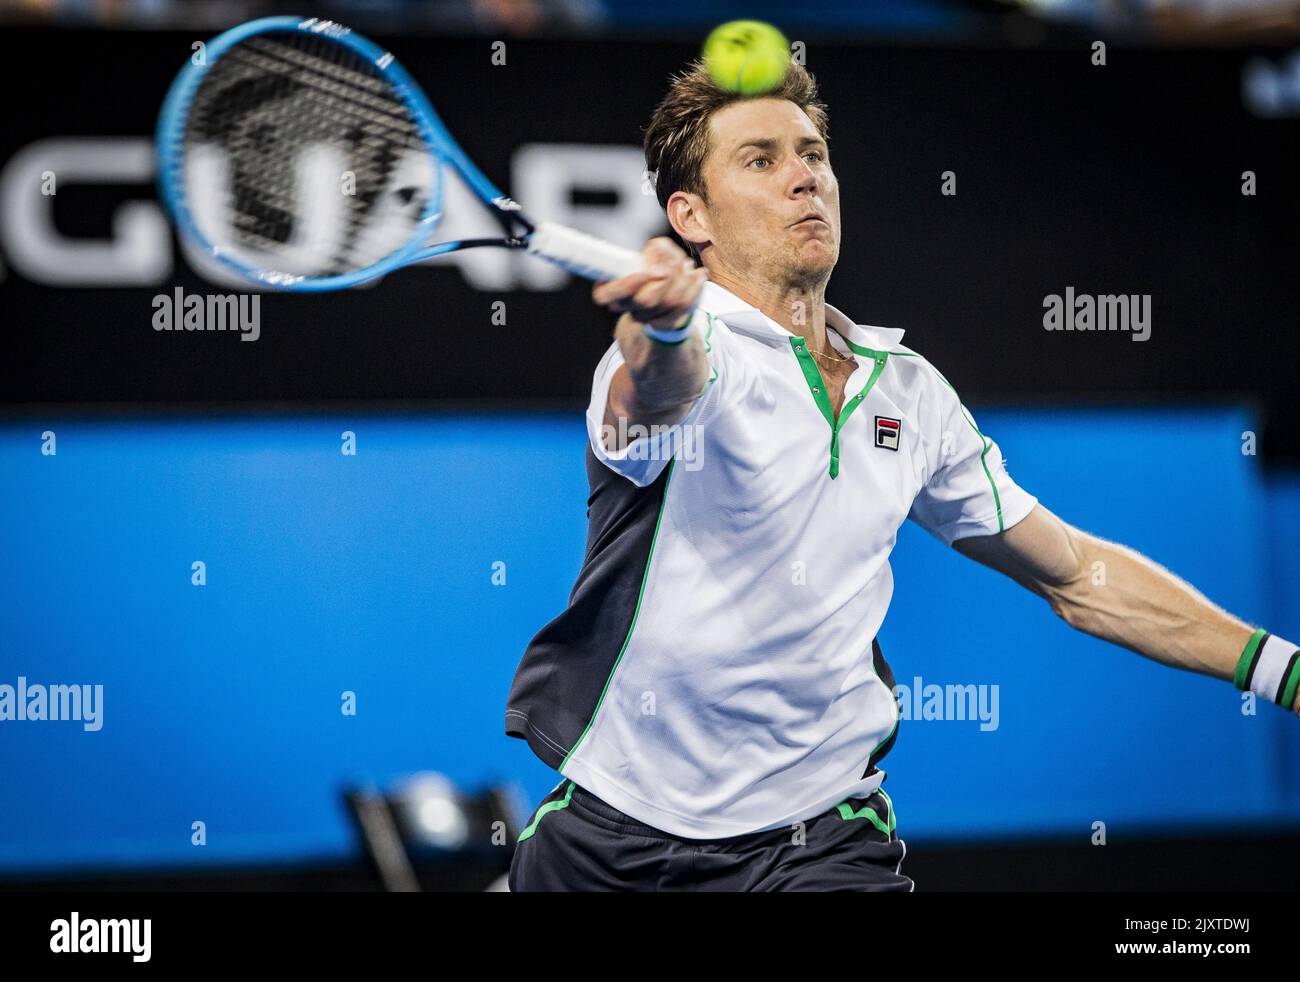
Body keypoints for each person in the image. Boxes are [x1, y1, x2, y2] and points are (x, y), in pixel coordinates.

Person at [503, 60, 1299, 892]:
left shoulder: (909, 389)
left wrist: (1283, 668)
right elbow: (657, 392)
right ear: (689, 215)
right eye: (762, 160)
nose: (804, 177)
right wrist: (663, 331)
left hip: (816, 842)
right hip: (612, 840)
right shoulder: (692, 358)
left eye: (813, 154)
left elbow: (1077, 577)